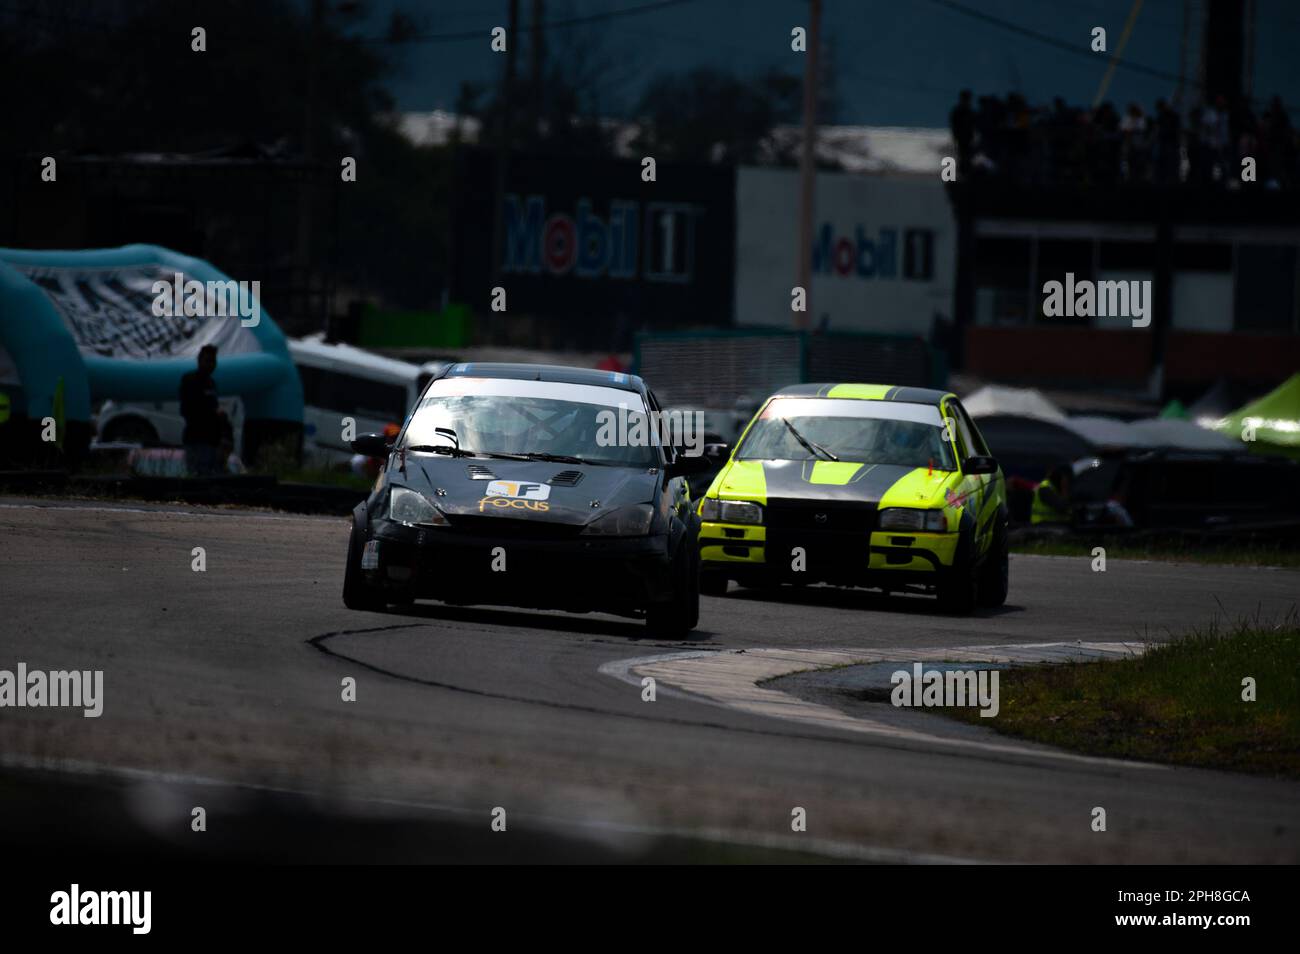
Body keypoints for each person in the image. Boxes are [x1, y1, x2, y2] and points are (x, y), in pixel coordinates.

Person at [180, 344, 225, 476]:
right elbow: (188, 409)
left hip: (212, 441)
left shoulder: (211, 383)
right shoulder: (190, 380)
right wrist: (211, 413)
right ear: (199, 361)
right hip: (196, 439)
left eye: (213, 361)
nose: (211, 365)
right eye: (207, 361)